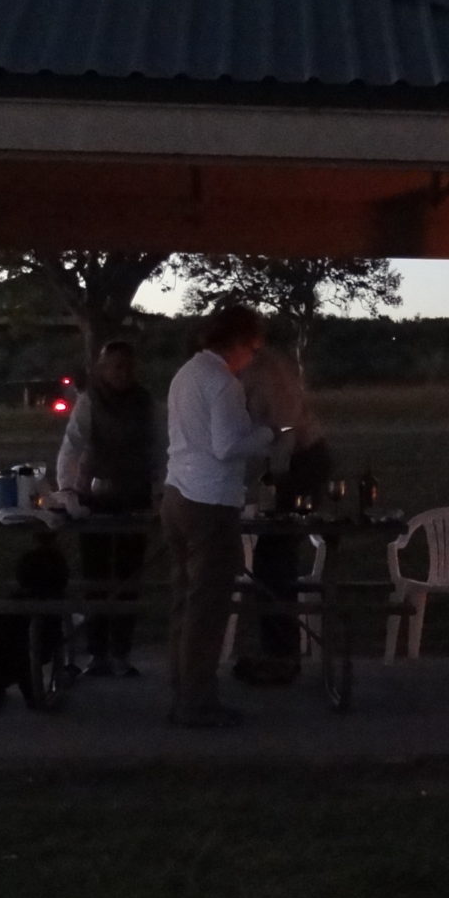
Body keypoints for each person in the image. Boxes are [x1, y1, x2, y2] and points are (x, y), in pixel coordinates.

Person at [162, 306, 277, 727]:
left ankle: (181, 690)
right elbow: (227, 446)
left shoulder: (185, 375)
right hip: (209, 503)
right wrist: (265, 435)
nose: (253, 355)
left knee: (184, 601)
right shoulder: (222, 383)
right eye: (252, 346)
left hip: (176, 495)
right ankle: (199, 703)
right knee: (207, 608)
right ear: (238, 342)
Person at [55, 340, 160, 676]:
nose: (122, 373)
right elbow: (72, 446)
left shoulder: (146, 403)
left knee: (128, 575)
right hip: (96, 496)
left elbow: (160, 447)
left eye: (127, 366)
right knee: (96, 574)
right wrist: (68, 489)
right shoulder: (89, 403)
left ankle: (121, 652)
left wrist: (162, 488)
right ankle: (98, 652)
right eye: (115, 366)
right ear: (102, 369)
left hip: (135, 494)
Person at [236, 346, 334, 683]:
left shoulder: (266, 371)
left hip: (301, 463)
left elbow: (286, 430)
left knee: (274, 560)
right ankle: (276, 653)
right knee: (270, 562)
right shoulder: (244, 372)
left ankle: (281, 657)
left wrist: (273, 482)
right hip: (286, 465)